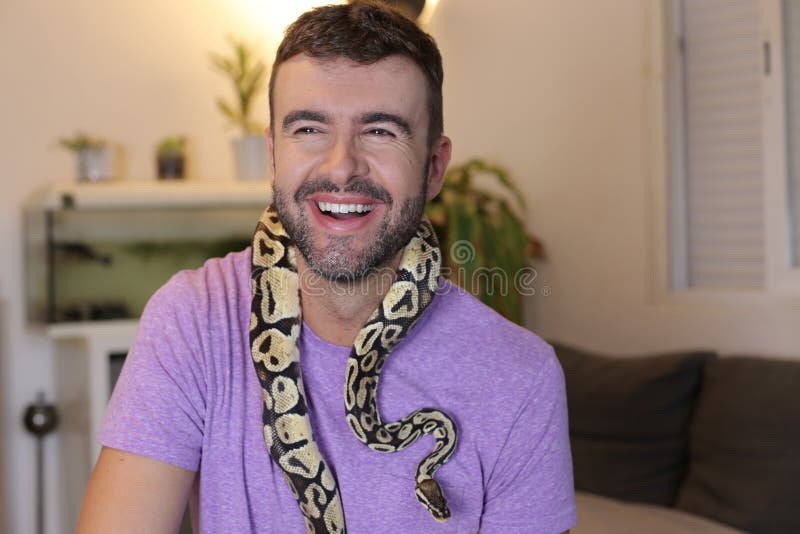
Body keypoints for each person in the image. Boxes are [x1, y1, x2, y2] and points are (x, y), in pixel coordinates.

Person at [77, 2, 576, 533]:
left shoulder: (520, 378)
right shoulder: (193, 319)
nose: (342, 166)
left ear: (434, 167)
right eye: (310, 129)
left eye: (381, 131)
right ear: (273, 157)